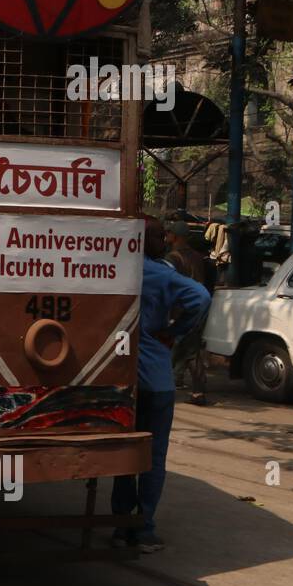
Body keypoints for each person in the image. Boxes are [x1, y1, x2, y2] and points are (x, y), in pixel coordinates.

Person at [113, 218, 211, 554]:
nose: (164, 241)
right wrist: (175, 331)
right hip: (154, 377)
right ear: (143, 240)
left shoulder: (110, 267)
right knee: (152, 457)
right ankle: (144, 529)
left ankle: (120, 523)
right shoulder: (158, 272)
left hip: (116, 377)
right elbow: (200, 297)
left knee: (124, 454)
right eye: (157, 236)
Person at [164, 220, 212, 406]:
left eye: (169, 233)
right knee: (193, 351)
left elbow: (169, 286)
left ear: (175, 236)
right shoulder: (197, 257)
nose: (167, 236)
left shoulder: (172, 258)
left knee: (170, 349)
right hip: (198, 309)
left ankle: (163, 388)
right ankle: (198, 391)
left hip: (179, 310)